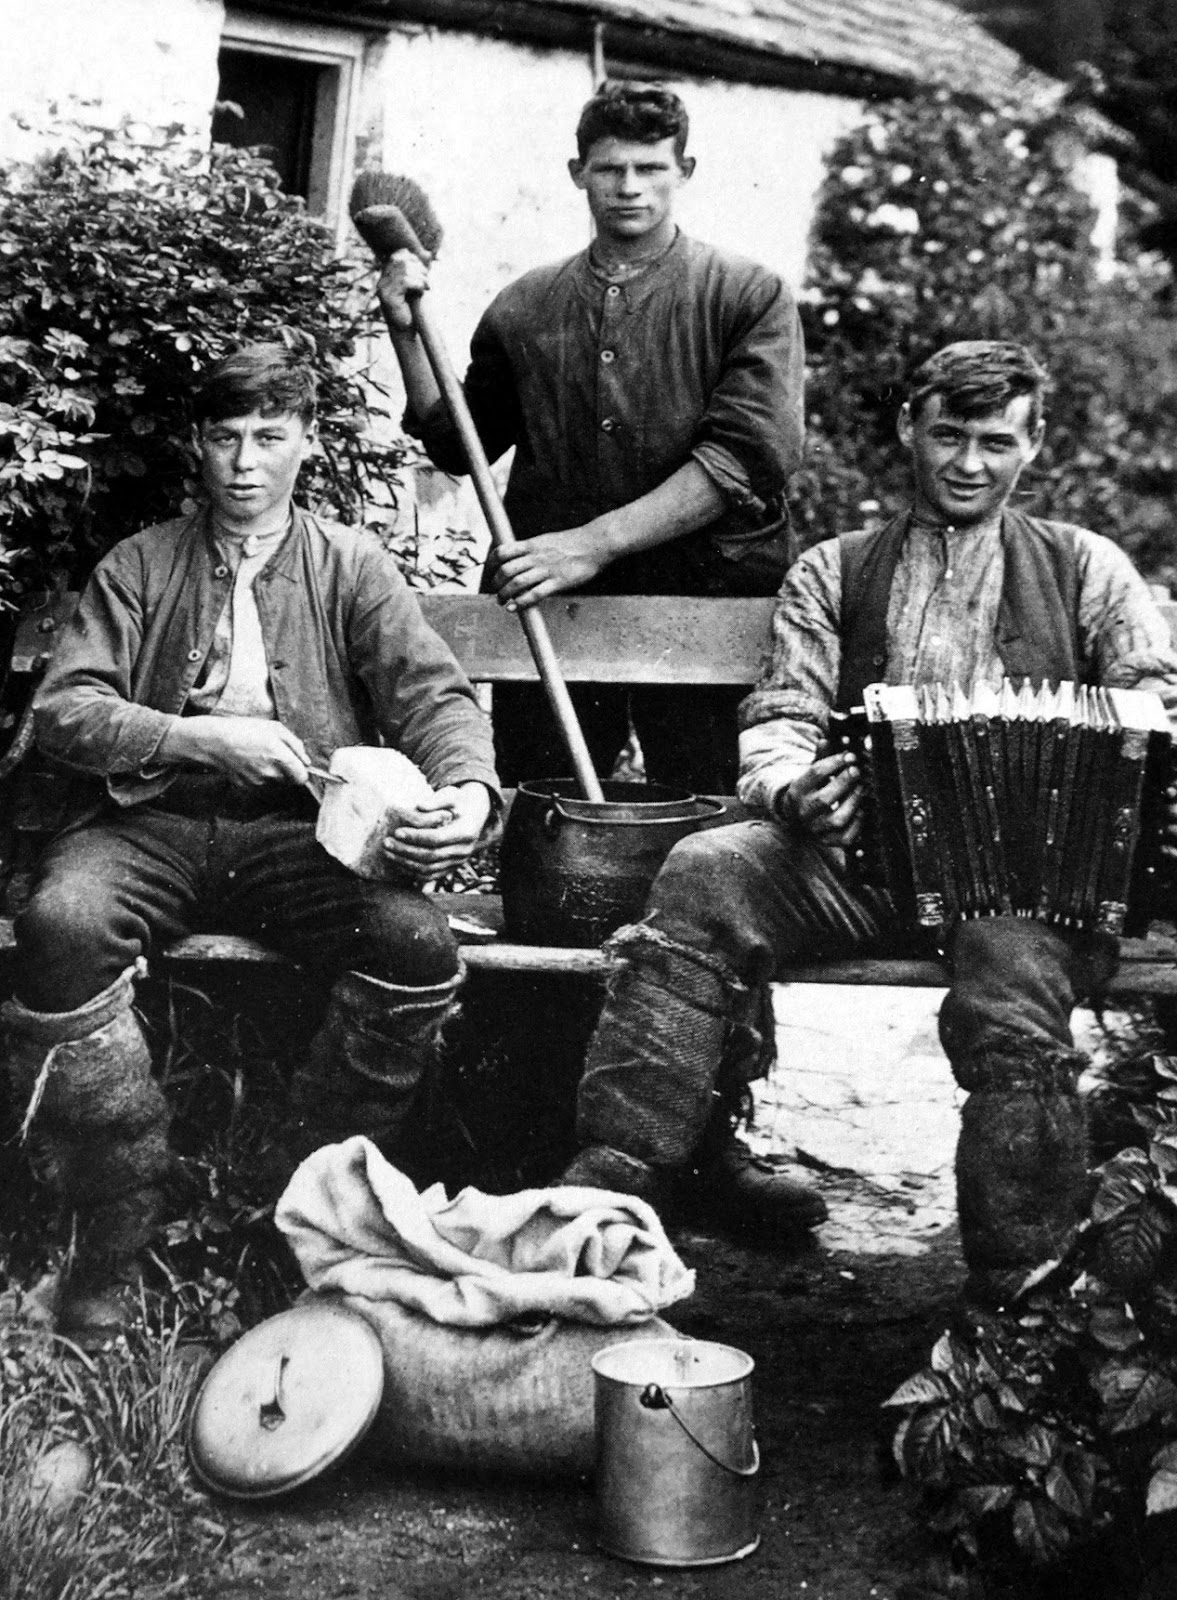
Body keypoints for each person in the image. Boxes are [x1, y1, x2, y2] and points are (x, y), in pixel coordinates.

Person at [556, 340, 1177, 1291]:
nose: (969, 464)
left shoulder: (1087, 568)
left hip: (1021, 884)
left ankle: (1020, 1291)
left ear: (1034, 444)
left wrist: (1123, 758)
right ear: (907, 431)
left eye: (996, 441)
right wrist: (792, 788)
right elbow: (780, 718)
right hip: (858, 864)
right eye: (948, 436)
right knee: (708, 869)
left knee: (1011, 992)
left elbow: (1151, 704)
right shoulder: (832, 571)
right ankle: (608, 1196)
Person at [3, 338, 500, 1342]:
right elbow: (66, 710)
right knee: (61, 920)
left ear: (306, 446)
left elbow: (430, 693)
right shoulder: (140, 564)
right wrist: (193, 736)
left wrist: (468, 789)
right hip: (152, 823)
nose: (243, 461)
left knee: (413, 943)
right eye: (225, 436)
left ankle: (297, 1219)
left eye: (269, 436)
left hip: (296, 840)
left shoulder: (349, 564)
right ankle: (117, 1230)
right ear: (197, 444)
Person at [377, 81, 805, 794]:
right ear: (578, 174)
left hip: (705, 603)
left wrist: (590, 544)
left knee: (705, 807)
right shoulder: (523, 306)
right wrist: (403, 330)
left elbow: (745, 459)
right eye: (609, 169)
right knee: (544, 804)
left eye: (650, 168)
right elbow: (460, 447)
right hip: (554, 608)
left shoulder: (746, 294)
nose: (629, 188)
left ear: (684, 172)